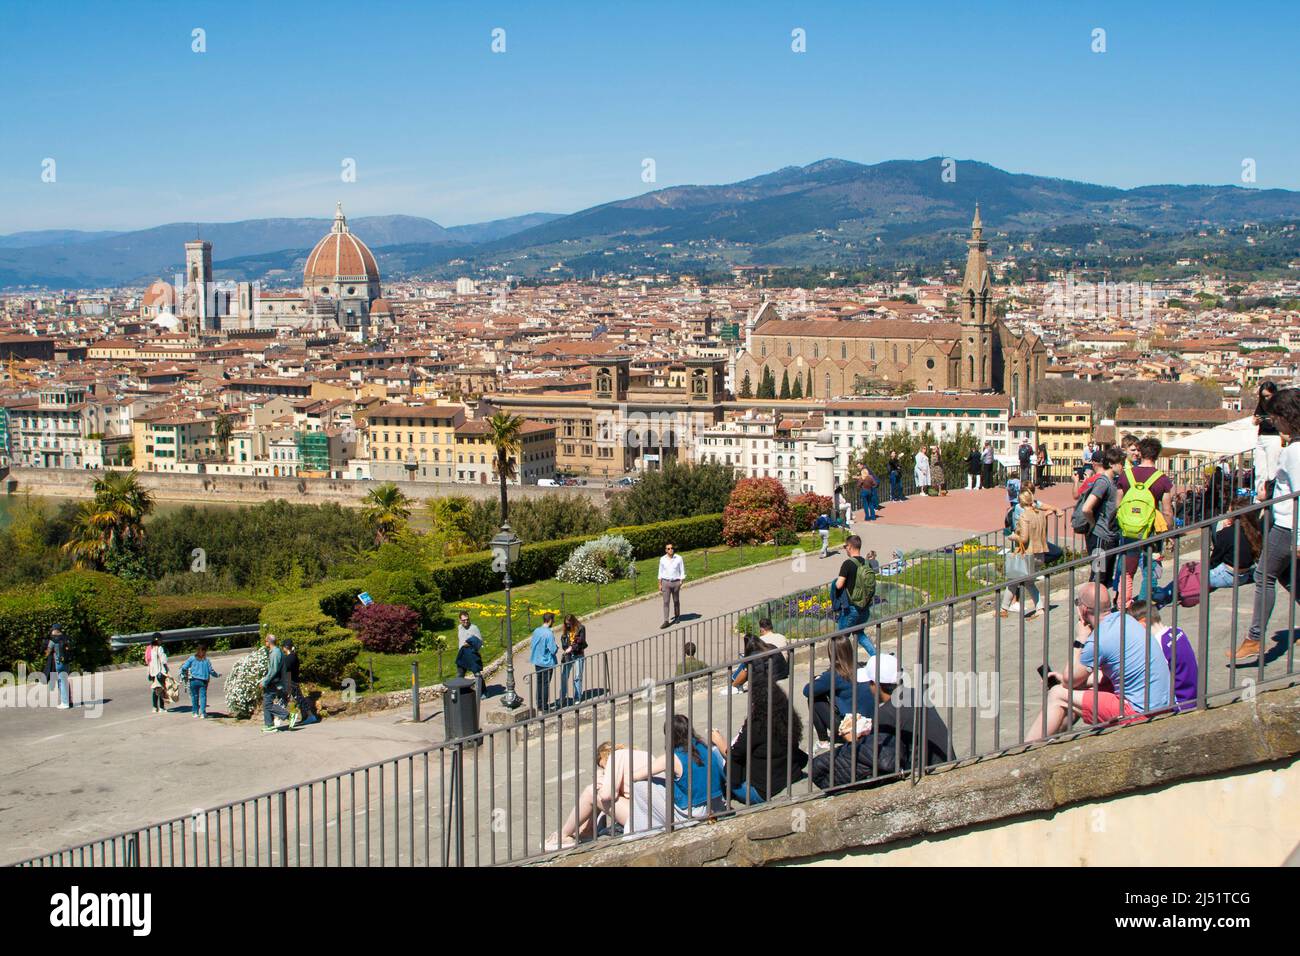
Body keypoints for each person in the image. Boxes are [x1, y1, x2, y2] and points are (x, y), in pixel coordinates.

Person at [1024, 583, 1173, 741]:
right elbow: (1101, 676)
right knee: (1081, 691)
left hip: (1138, 712)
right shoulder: (1127, 620)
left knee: (1057, 694)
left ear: (1083, 609)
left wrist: (1080, 639)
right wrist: (1067, 680)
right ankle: (1052, 739)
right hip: (1161, 705)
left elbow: (1069, 681)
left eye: (1077, 603)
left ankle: (1026, 751)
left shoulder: (1099, 639)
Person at [810, 653, 955, 790]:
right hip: (945, 762)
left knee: (829, 766)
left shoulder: (886, 713)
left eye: (870, 683)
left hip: (924, 773)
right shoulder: (915, 694)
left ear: (877, 685)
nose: (869, 687)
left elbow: (880, 755)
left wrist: (852, 740)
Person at [1238, 387, 1300, 665]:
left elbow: (1299, 495)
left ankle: (1253, 638)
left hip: (1287, 527)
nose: (1273, 422)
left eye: (1276, 417)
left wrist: (1298, 538)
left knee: (1264, 576)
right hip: (1288, 526)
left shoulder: (1295, 452)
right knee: (1287, 576)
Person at [719, 667, 808, 804]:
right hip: (790, 774)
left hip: (761, 791)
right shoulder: (788, 717)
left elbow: (735, 754)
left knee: (715, 756)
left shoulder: (758, 725)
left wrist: (719, 742)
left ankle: (720, 799)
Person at [628, 715, 728, 833]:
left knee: (639, 786)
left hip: (697, 811)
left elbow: (635, 776)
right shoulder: (705, 746)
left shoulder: (672, 758)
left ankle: (648, 828)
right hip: (718, 803)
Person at [546, 741, 653, 850]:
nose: (605, 770)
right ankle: (587, 830)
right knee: (600, 791)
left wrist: (600, 779)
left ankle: (562, 835)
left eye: (604, 767)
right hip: (654, 810)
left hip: (645, 817)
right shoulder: (643, 754)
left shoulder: (616, 757)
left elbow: (607, 795)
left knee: (592, 792)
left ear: (606, 756)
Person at [1113, 436, 1175, 610]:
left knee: (1127, 571)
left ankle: (1122, 605)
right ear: (1156, 455)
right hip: (1151, 531)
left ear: (1140, 452)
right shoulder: (1161, 479)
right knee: (1149, 570)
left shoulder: (1126, 475)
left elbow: (1118, 504)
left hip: (1129, 529)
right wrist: (1169, 532)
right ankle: (1143, 606)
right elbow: (1167, 511)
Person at [802, 635, 875, 746]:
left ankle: (823, 740)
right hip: (869, 723)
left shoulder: (834, 675)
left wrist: (817, 679)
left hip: (851, 727)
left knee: (813, 698)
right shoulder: (861, 667)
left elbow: (807, 691)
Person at [1130, 604, 1198, 713]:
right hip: (1194, 694)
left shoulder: (1157, 645)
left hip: (1179, 702)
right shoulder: (1177, 630)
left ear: (1143, 623)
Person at [1077, 446, 1123, 588]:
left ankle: (1099, 606)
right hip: (1101, 537)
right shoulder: (1103, 482)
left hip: (1109, 536)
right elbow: (1086, 508)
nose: (1123, 467)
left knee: (1105, 578)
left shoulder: (1112, 481)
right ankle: (1090, 605)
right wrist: (1093, 524)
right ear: (1111, 464)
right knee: (1098, 576)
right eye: (1121, 463)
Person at [1001, 489, 1048, 620]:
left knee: (1014, 581)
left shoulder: (1024, 516)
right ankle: (1004, 608)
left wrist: (1011, 536)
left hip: (1028, 554)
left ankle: (1004, 609)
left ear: (1021, 502)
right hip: (1040, 552)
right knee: (1028, 582)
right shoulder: (1041, 514)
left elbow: (1024, 539)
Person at [832, 534, 877, 654]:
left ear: (850, 546)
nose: (845, 548)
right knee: (860, 634)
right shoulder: (866, 563)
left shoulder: (848, 563)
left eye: (845, 546)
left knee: (841, 639)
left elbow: (839, 585)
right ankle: (877, 658)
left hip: (851, 608)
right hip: (864, 607)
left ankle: (842, 666)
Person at [1254, 380, 1282, 500]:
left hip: (1273, 437)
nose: (1265, 399)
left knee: (1272, 470)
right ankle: (1258, 497)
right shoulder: (1261, 404)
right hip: (1261, 437)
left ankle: (1271, 497)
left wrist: (1273, 420)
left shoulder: (1279, 405)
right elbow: (1254, 419)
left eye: (1267, 396)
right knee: (1260, 471)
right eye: (1263, 396)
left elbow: (1283, 421)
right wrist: (1257, 420)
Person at [281, 638, 318, 725]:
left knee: (299, 699)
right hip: (291, 680)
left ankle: (311, 716)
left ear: (286, 647)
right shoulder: (293, 656)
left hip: (292, 681)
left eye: (283, 647)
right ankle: (305, 716)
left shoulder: (290, 658)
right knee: (293, 699)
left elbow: (286, 669)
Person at [260, 633, 292, 733]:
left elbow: (273, 670)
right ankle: (269, 725)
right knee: (266, 703)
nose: (265, 642)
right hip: (273, 681)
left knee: (268, 704)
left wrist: (264, 681)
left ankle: (287, 715)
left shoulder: (275, 653)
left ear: (269, 642)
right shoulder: (275, 651)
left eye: (266, 641)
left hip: (274, 682)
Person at [179, 644, 221, 719]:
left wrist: (183, 673)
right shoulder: (206, 660)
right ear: (205, 651)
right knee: (203, 697)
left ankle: (195, 712)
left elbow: (184, 667)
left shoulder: (192, 658)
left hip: (193, 680)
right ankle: (203, 713)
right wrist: (217, 675)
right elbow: (211, 671)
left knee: (194, 696)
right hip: (203, 681)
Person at [529, 612, 560, 712]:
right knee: (545, 684)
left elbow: (532, 644)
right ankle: (544, 707)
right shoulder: (549, 633)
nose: (553, 622)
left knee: (539, 683)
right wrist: (557, 646)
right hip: (547, 662)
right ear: (550, 620)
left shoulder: (536, 631)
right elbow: (553, 649)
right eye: (553, 620)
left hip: (537, 661)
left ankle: (539, 704)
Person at [559, 613, 588, 705]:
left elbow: (581, 642)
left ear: (573, 622)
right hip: (568, 656)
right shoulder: (566, 630)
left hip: (578, 654)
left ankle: (577, 697)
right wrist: (565, 646)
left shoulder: (580, 628)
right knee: (564, 677)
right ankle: (562, 697)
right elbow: (564, 642)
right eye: (566, 624)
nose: (568, 625)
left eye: (569, 624)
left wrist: (572, 647)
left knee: (577, 676)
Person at [43, 624, 72, 710]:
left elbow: (48, 652)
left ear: (55, 630)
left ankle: (65, 702)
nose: (51, 631)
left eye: (52, 630)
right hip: (67, 662)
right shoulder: (67, 638)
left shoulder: (53, 640)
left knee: (61, 682)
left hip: (59, 663)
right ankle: (68, 700)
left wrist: (47, 651)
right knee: (65, 681)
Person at [657, 541, 685, 629]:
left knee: (676, 600)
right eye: (668, 548)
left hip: (676, 582)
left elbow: (682, 570)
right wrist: (660, 584)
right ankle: (666, 621)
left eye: (672, 548)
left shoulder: (679, 558)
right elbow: (660, 572)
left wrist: (681, 581)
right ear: (666, 550)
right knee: (666, 602)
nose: (670, 550)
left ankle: (677, 617)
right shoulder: (662, 559)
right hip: (665, 583)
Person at [455, 624, 485, 700]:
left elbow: (479, 641)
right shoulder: (459, 627)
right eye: (463, 620)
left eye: (467, 619)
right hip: (462, 655)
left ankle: (483, 692)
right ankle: (460, 692)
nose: (466, 621)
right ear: (460, 620)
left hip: (471, 655)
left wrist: (470, 644)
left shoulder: (474, 628)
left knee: (477, 674)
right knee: (460, 674)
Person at [146, 633, 170, 714]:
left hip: (152, 672)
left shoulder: (150, 648)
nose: (161, 641)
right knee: (162, 689)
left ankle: (154, 707)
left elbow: (148, 661)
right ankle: (162, 708)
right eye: (160, 639)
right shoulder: (160, 648)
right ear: (158, 640)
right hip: (160, 672)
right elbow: (164, 660)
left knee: (155, 689)